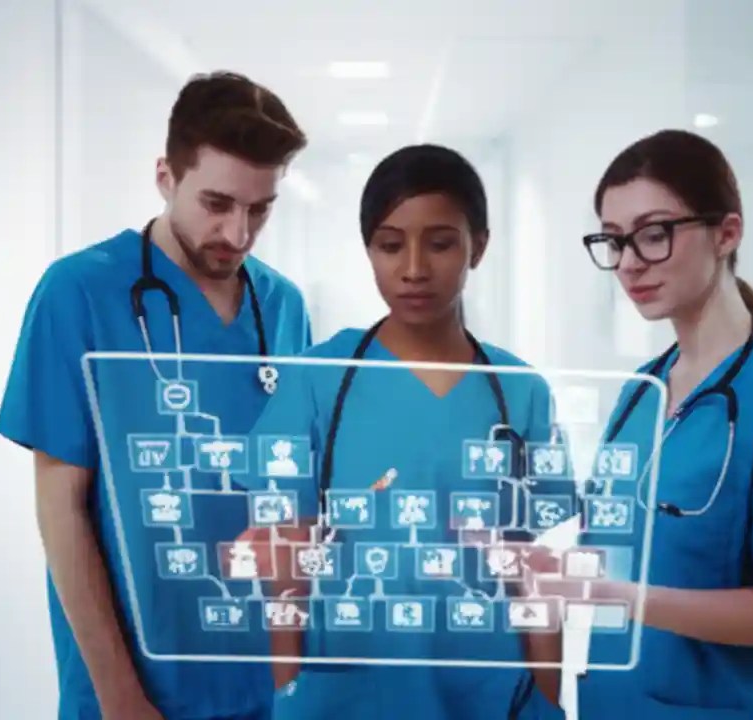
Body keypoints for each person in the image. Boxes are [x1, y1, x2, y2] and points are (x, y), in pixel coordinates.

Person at [0, 71, 313, 720]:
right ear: (166, 176)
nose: (238, 234)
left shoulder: (281, 306)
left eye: (261, 208)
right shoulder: (78, 293)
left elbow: (286, 496)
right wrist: (119, 697)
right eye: (217, 203)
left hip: (263, 685)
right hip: (136, 689)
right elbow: (62, 512)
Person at [233, 144, 569, 719]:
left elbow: (531, 571)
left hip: (489, 697)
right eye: (390, 245)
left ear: (478, 247)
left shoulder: (520, 391)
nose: (414, 268)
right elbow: (285, 570)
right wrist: (289, 696)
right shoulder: (321, 380)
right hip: (346, 697)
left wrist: (545, 701)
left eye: (440, 243)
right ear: (369, 250)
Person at [565, 129, 753, 718]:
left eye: (653, 235)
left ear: (727, 233)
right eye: (614, 241)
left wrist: (620, 596)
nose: (628, 263)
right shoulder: (640, 393)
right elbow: (619, 547)